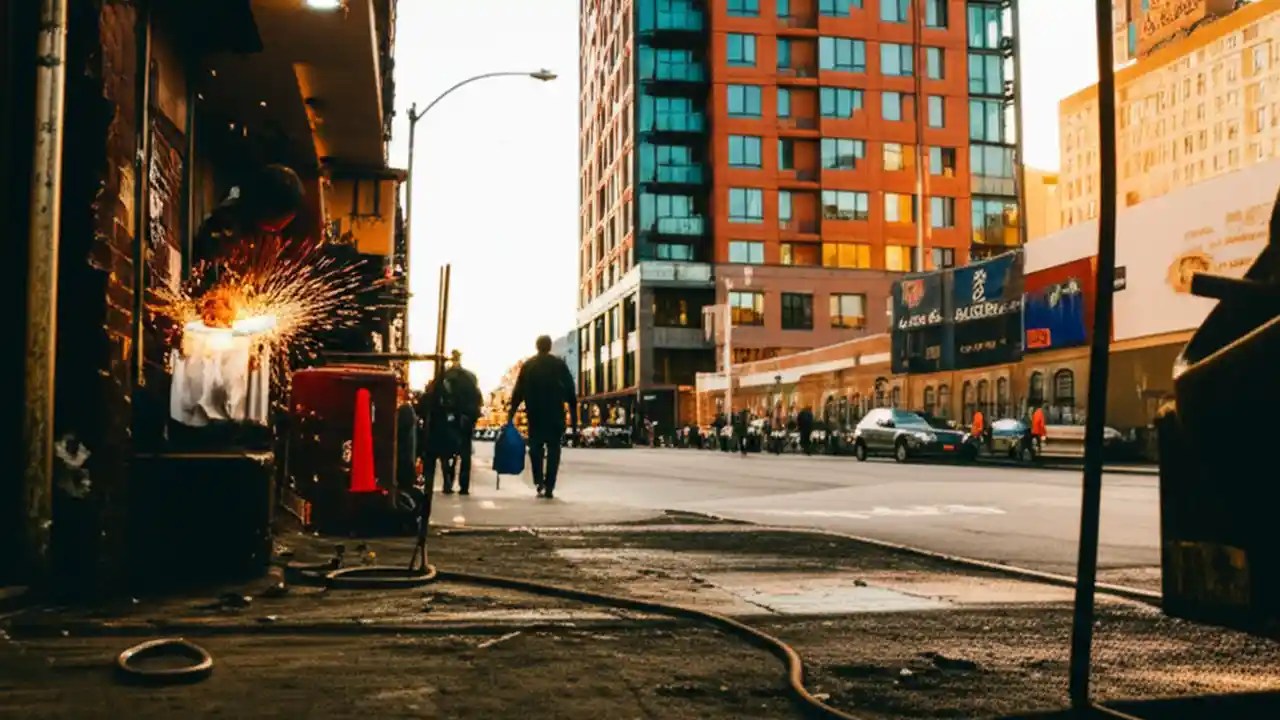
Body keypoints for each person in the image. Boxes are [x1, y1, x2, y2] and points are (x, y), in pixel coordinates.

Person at [509, 335, 578, 499]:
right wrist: (574, 424)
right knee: (554, 451)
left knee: (535, 450)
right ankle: (550, 486)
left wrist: (510, 415)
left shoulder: (529, 366)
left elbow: (517, 392)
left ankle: (539, 481)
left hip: (535, 416)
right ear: (549, 347)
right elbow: (571, 394)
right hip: (555, 416)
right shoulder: (559, 364)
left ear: (537, 346)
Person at [441, 350, 483, 494]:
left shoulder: (444, 376)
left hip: (449, 418)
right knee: (465, 453)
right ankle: (464, 486)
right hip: (466, 419)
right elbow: (478, 398)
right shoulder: (470, 377)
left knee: (446, 452)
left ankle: (448, 482)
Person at [416, 377, 462, 494]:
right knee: (445, 462)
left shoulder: (427, 398)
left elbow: (419, 412)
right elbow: (455, 416)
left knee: (429, 464)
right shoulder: (448, 399)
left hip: (430, 434)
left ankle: (428, 486)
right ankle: (447, 484)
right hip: (444, 435)